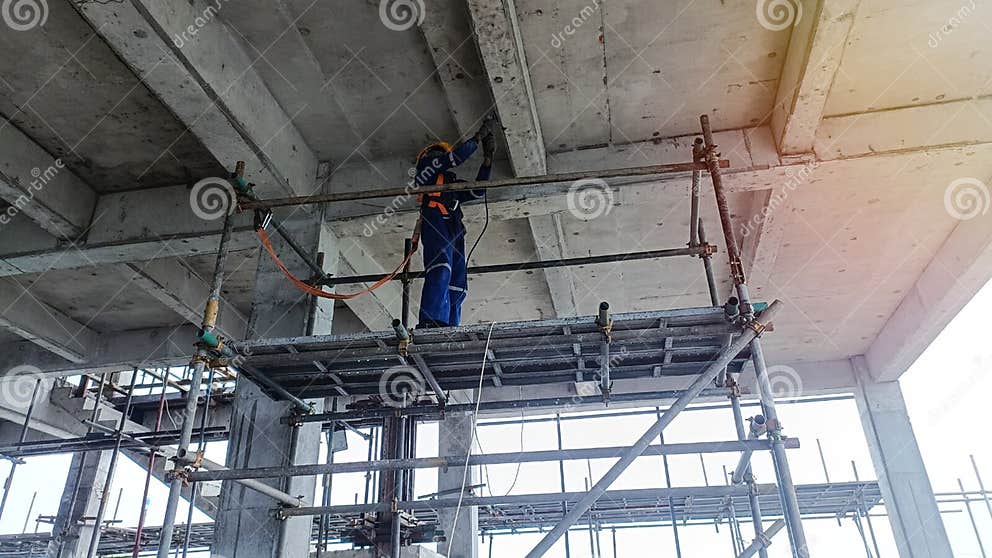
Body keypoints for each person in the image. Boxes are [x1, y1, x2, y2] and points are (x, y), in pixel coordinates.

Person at [415, 120, 497, 328]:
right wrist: (478, 138)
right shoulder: (426, 170)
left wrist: (488, 160)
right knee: (441, 268)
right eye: (436, 153)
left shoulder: (451, 186)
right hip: (435, 219)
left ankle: (451, 325)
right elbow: (456, 158)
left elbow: (477, 191)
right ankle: (432, 321)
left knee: (459, 284)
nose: (437, 157)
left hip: (454, 227)